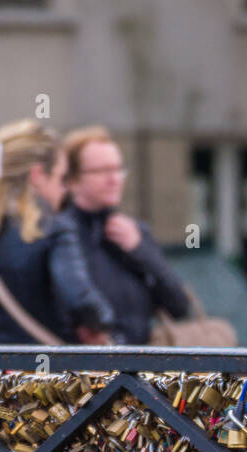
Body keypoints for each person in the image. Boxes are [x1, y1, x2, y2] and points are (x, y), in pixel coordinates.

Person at [0, 120, 114, 345]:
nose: (64, 190)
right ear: (37, 175)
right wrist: (104, 321)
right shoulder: (53, 229)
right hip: (48, 373)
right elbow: (79, 299)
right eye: (61, 178)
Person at [61, 126, 190, 344]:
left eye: (119, 169)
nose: (114, 179)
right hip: (84, 371)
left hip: (136, 368)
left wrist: (140, 249)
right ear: (73, 180)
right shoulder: (61, 234)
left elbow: (179, 306)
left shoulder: (134, 232)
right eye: (102, 171)